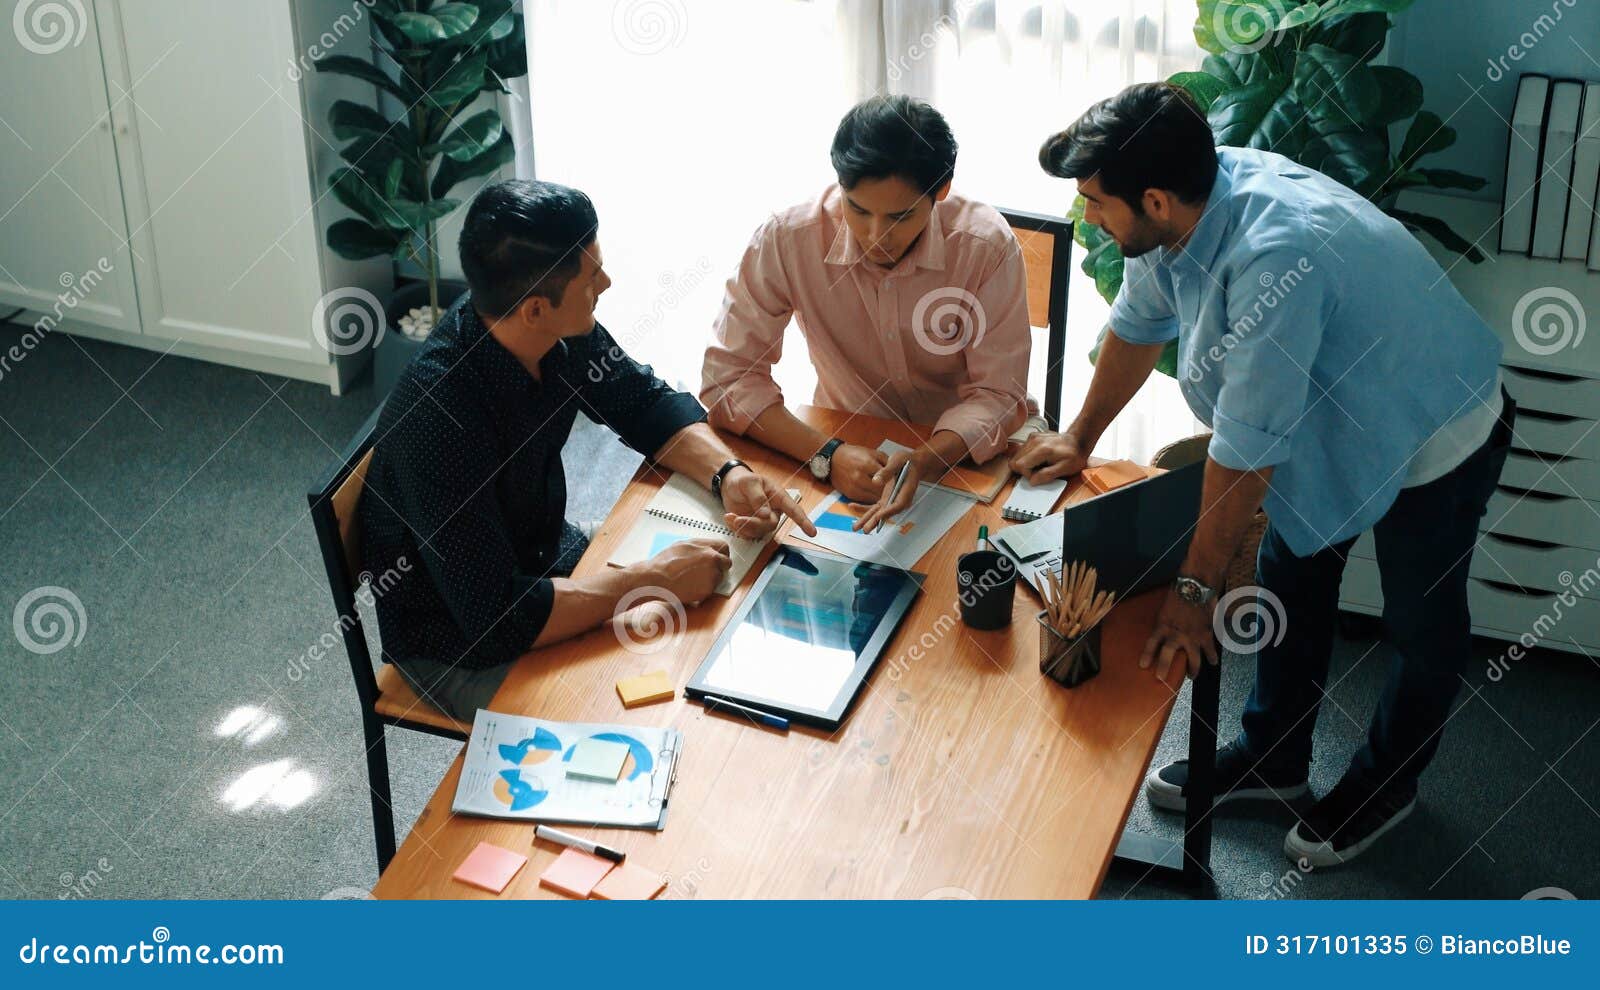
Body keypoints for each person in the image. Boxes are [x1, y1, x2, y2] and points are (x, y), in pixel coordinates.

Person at [1013, 82, 1512, 867]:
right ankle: (1275, 762)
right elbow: (1140, 326)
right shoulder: (1177, 212)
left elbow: (1245, 451)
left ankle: (1388, 783)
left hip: (1436, 424)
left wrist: (1193, 593)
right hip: (1334, 412)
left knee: (1420, 624)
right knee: (1290, 575)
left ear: (1151, 198)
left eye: (1097, 204)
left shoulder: (1276, 252)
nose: (1091, 220)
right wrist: (1079, 436)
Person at [362, 180, 816, 721]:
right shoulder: (438, 421)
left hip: (546, 564)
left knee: (708, 643)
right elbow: (495, 619)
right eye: (591, 276)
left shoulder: (550, 329)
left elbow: (642, 402)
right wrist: (652, 580)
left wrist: (729, 473)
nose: (607, 281)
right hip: (462, 645)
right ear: (534, 310)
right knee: (644, 716)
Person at [700, 95, 1031, 534]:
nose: (877, 236)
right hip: (842, 450)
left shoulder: (985, 246)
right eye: (857, 209)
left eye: (900, 216)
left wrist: (928, 459)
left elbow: (999, 394)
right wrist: (828, 455)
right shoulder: (788, 239)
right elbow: (728, 379)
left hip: (962, 457)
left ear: (942, 191)